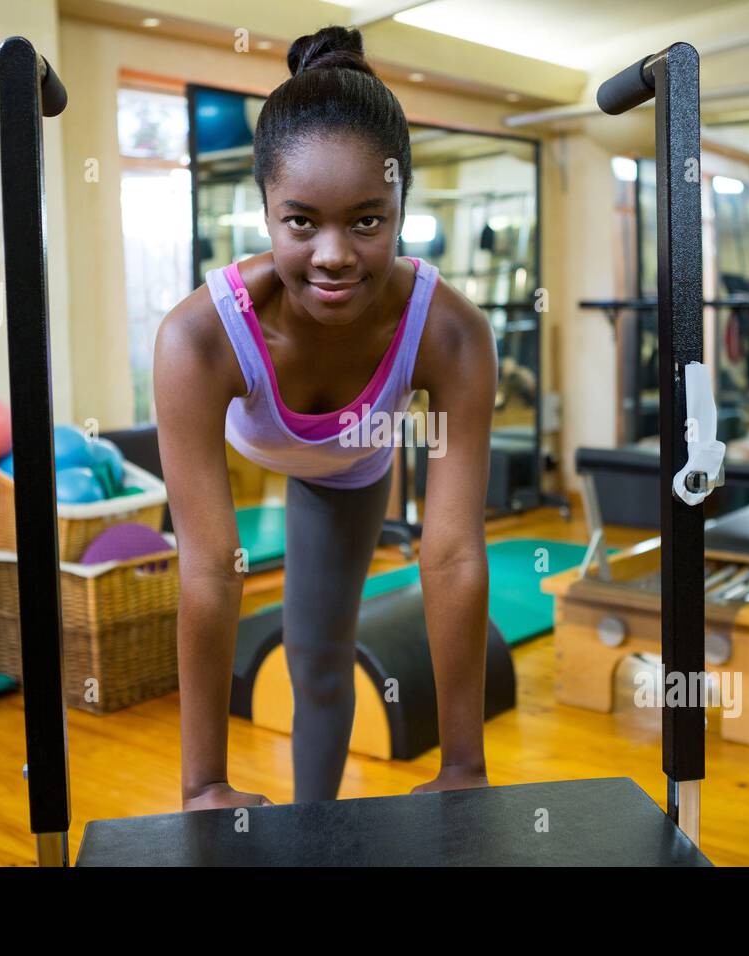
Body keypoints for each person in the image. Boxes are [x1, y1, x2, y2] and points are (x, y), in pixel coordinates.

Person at [153, 26, 497, 811]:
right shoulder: (199, 339)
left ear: (403, 203)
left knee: (318, 657)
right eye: (301, 221)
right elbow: (208, 567)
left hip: (352, 463)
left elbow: (448, 555)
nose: (334, 255)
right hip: (249, 431)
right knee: (223, 570)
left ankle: (317, 829)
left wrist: (463, 767)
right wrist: (203, 785)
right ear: (266, 210)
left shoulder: (451, 333)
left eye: (368, 221)